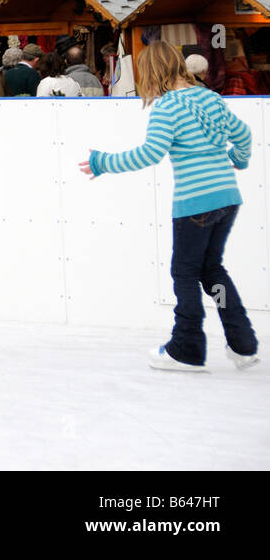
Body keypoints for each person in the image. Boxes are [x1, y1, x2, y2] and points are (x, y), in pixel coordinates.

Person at [81, 41, 257, 372]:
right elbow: (244, 136)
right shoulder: (210, 97)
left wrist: (103, 162)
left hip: (195, 204)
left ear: (151, 72)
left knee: (185, 273)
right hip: (227, 198)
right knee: (212, 270)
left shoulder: (167, 107)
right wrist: (237, 159)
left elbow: (149, 154)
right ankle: (243, 343)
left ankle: (187, 348)